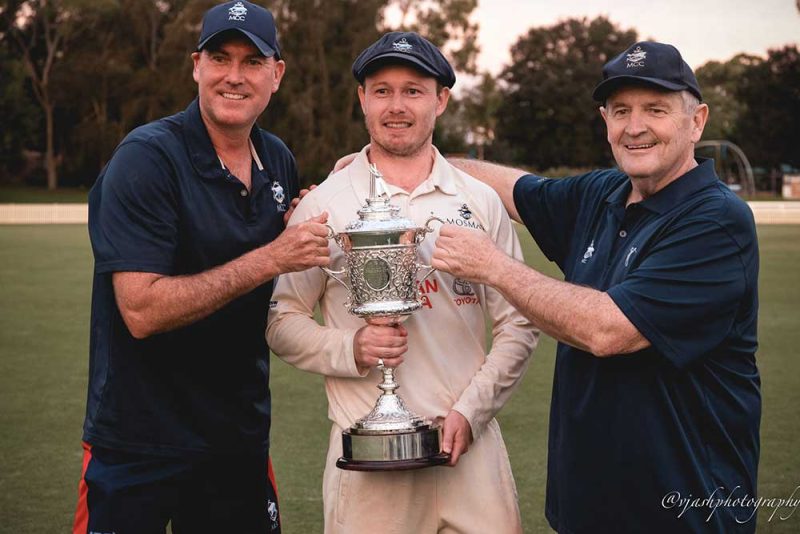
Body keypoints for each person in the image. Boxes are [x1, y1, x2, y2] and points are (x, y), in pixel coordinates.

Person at [431, 41, 761, 533]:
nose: (634, 126)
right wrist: (401, 162)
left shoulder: (716, 221)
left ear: (697, 122)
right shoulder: (603, 192)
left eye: (655, 109)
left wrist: (494, 266)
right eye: (620, 110)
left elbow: (607, 331)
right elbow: (513, 187)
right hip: (586, 512)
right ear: (605, 120)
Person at [72, 2, 331, 533]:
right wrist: (272, 256)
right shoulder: (146, 157)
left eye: (252, 61)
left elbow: (286, 281)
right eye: (220, 58)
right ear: (197, 66)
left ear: (276, 74)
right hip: (138, 444)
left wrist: (333, 199)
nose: (234, 76)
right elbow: (141, 310)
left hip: (236, 440)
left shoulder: (277, 159)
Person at [266, 32, 538, 533]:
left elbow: (518, 323)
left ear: (441, 99)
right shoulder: (324, 205)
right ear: (362, 99)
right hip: (367, 460)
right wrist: (351, 347)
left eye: (413, 90)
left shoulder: (479, 201)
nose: (396, 106)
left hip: (470, 453)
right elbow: (282, 321)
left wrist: (472, 411)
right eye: (382, 90)